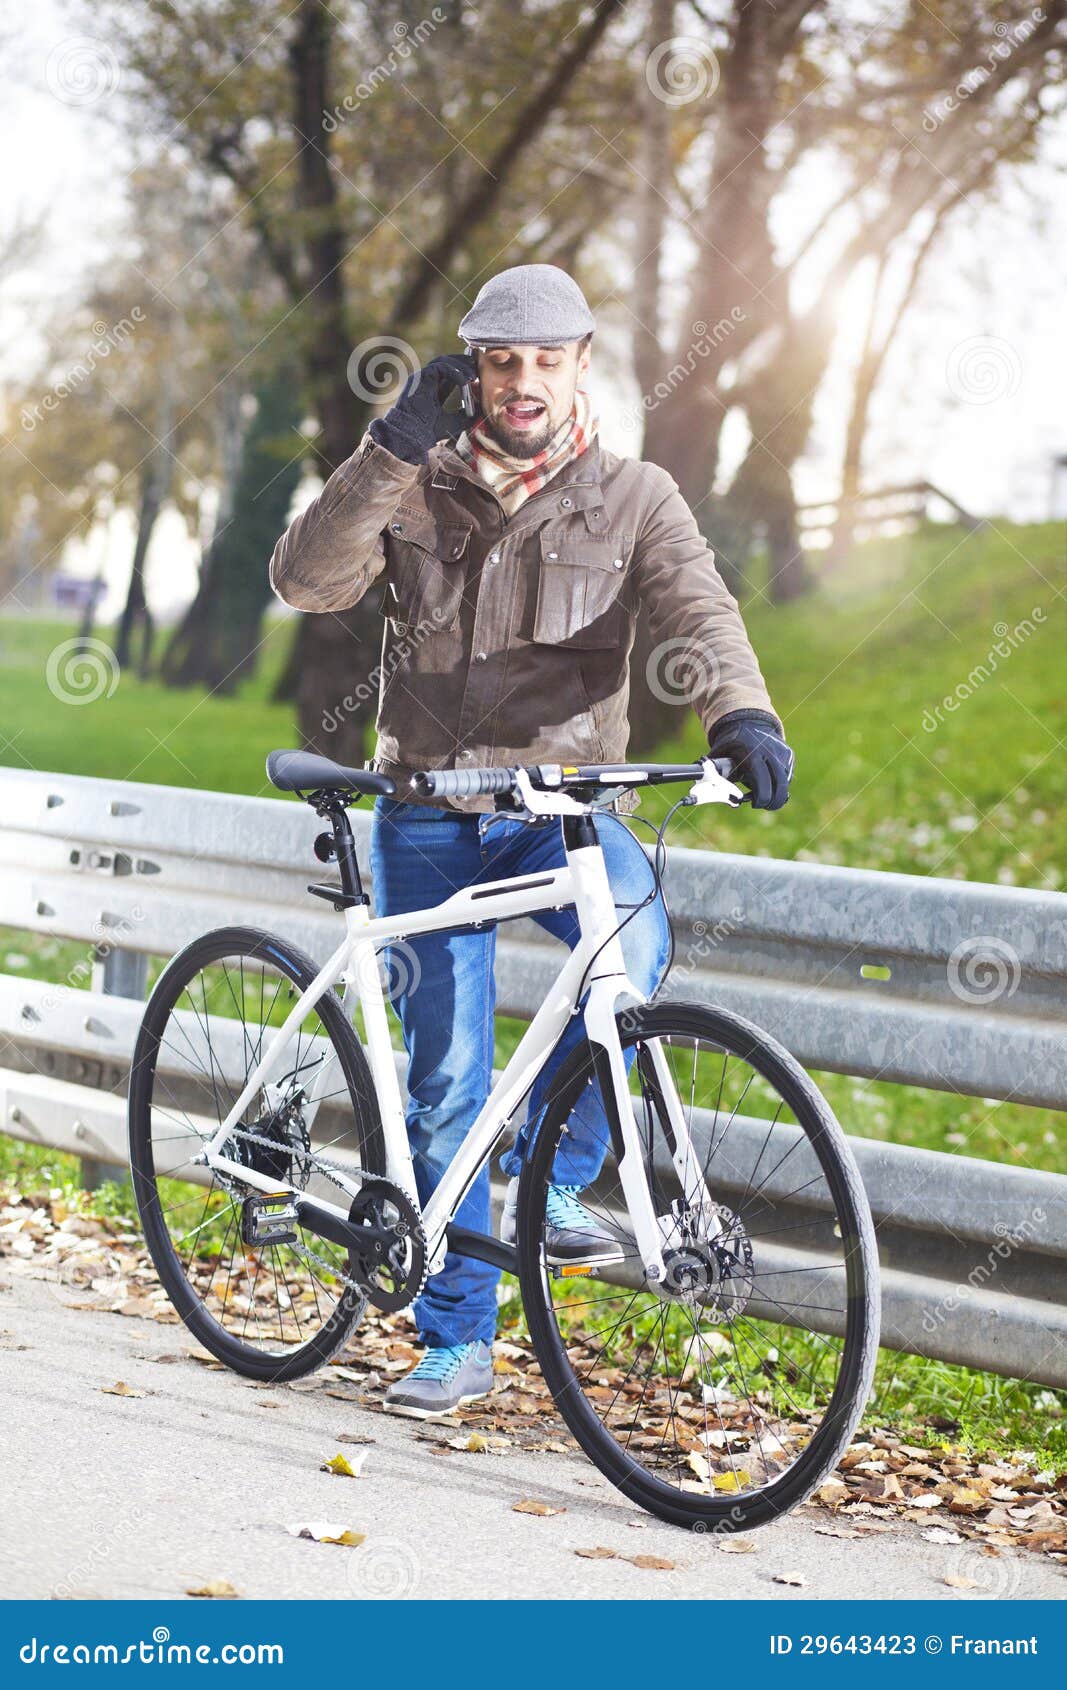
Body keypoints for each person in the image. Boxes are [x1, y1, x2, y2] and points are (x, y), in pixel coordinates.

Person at [269, 263, 793, 1416]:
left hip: (561, 817)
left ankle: (546, 1173)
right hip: (427, 818)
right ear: (475, 371)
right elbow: (304, 582)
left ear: (580, 364)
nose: (522, 383)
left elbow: (699, 608)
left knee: (634, 948)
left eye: (544, 360)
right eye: (501, 362)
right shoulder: (414, 485)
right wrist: (389, 447)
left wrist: (739, 713)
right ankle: (454, 1340)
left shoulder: (633, 494)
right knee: (446, 1083)